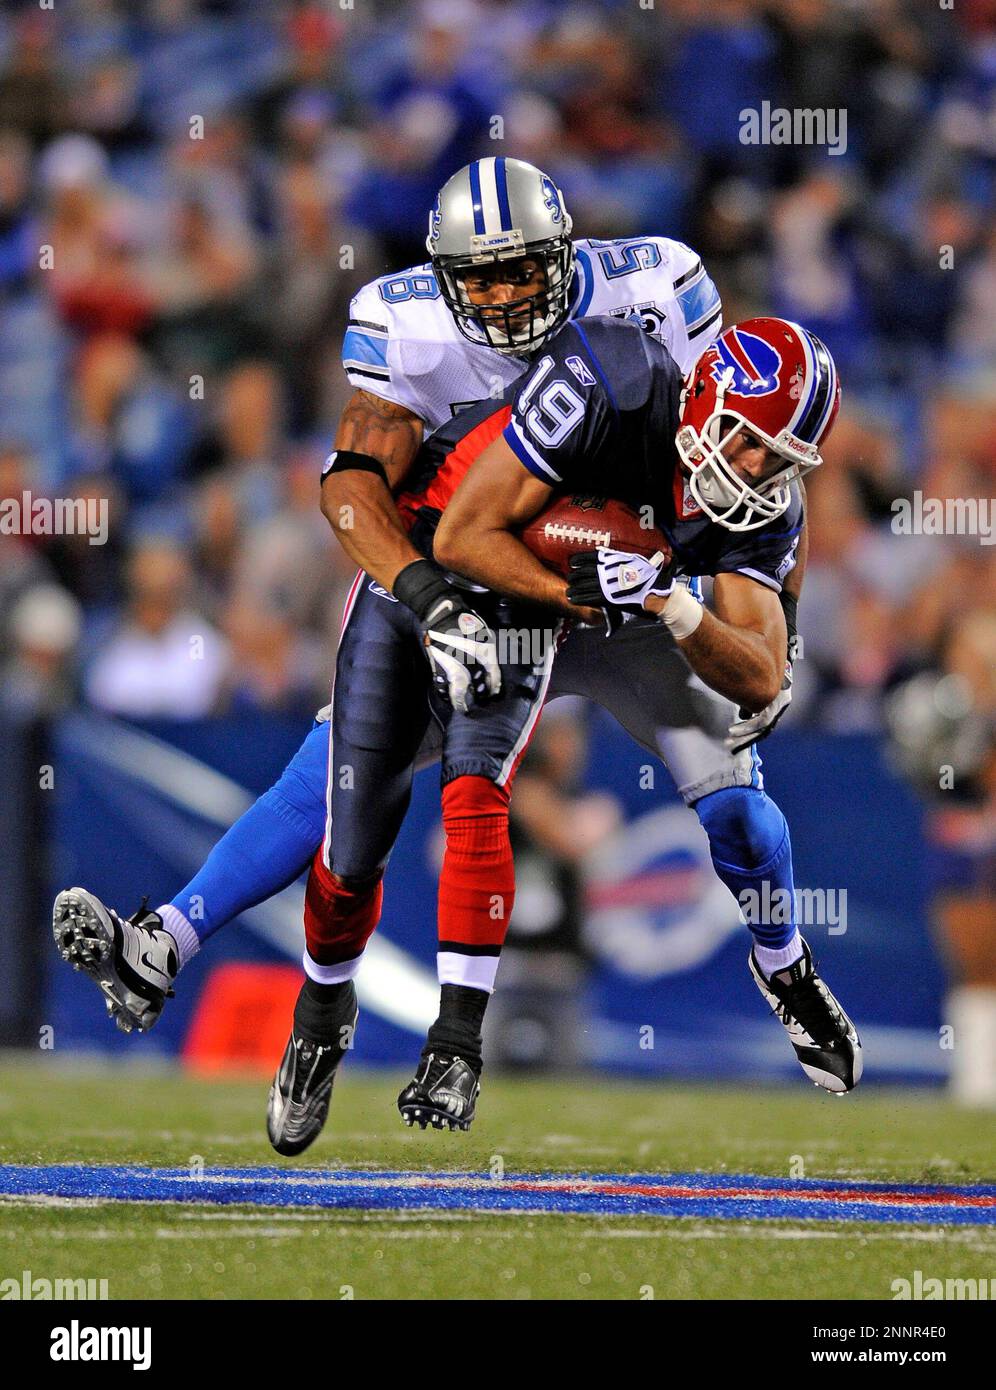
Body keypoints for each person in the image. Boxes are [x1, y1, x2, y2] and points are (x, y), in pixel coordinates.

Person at [53, 158, 814, 1145]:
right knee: (344, 786)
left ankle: (787, 968)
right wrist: (429, 595)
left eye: (521, 271)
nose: (501, 297)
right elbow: (352, 484)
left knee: (731, 788)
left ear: (566, 252)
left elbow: (740, 447)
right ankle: (199, 953)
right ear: (445, 277)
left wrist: (743, 612)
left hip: (628, 584)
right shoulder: (402, 321)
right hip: (481, 574)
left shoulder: (655, 285)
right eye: (479, 278)